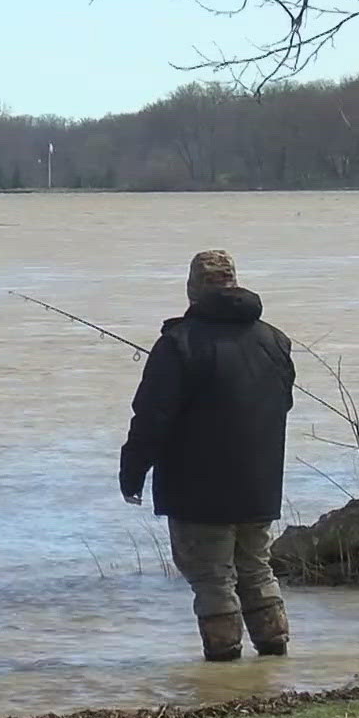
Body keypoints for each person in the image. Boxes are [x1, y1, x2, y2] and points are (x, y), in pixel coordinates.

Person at [120, 250, 297, 661]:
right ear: (235, 283)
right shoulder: (275, 339)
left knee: (212, 578)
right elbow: (282, 404)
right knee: (257, 569)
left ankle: (224, 666)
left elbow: (150, 418)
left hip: (197, 490)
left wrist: (132, 473)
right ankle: (274, 656)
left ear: (192, 290)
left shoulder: (177, 344)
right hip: (259, 484)